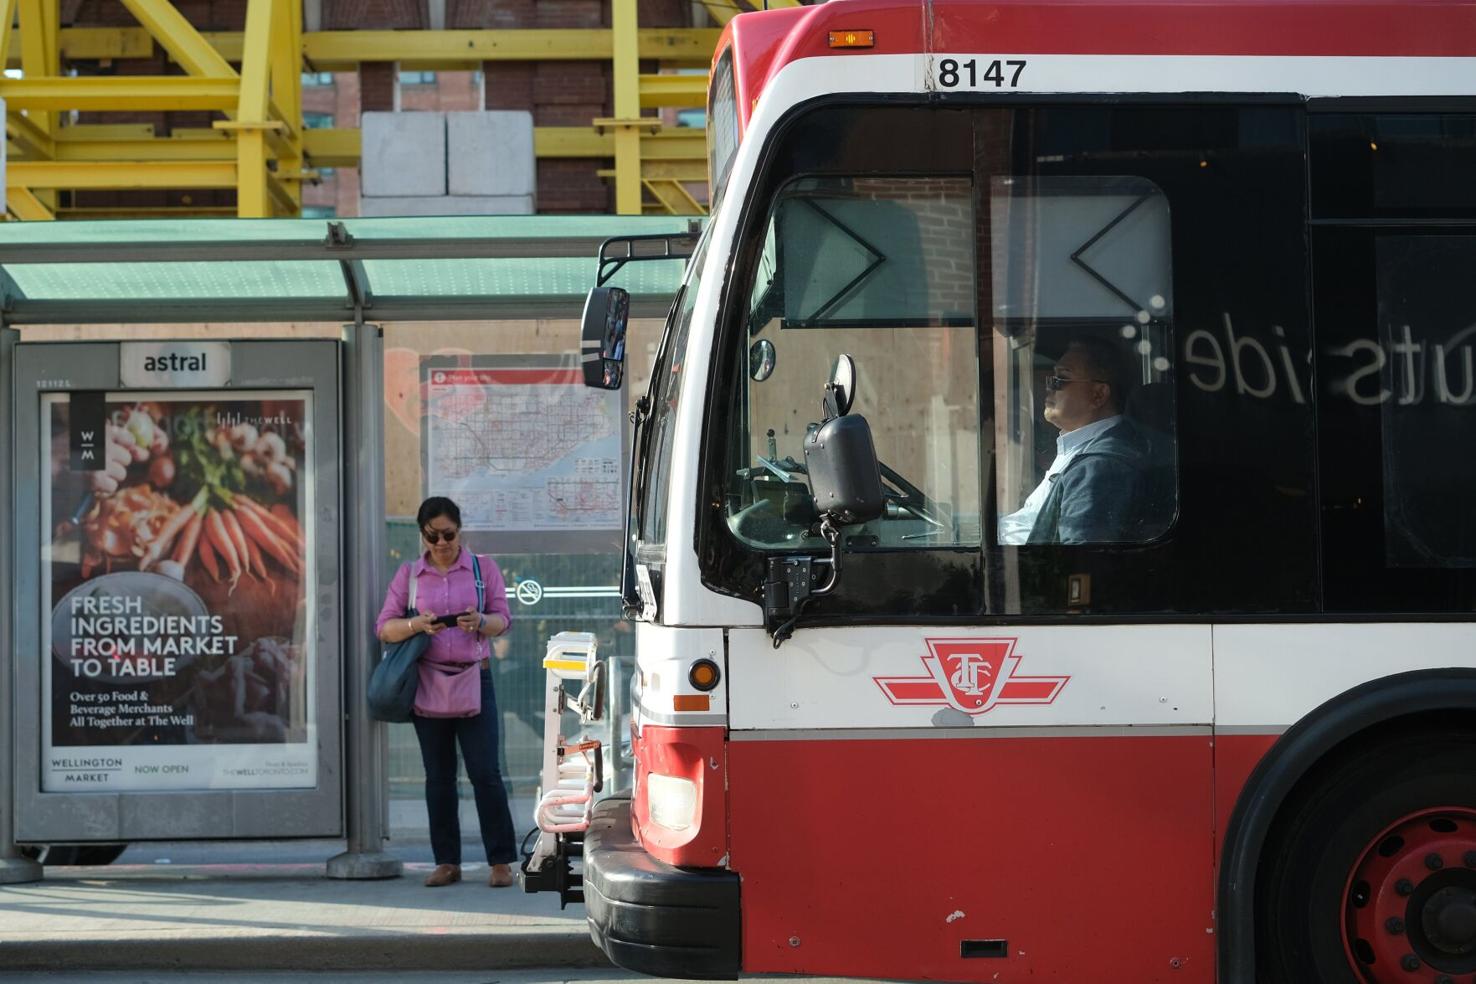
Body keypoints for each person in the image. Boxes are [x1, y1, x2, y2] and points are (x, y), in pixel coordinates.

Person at [375, 496, 517, 888]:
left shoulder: (481, 569)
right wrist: (417, 625)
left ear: (460, 530)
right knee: (438, 776)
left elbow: (504, 621)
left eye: (448, 534)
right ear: (422, 534)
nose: (440, 544)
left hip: (474, 678)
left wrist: (480, 621)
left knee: (486, 773)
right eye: (431, 536)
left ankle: (501, 861)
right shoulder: (410, 575)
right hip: (428, 681)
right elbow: (384, 628)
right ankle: (446, 861)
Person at [998, 337, 1150, 544]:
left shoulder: (1100, 468)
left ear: (1098, 394)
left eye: (1061, 379)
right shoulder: (1080, 451)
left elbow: (1078, 559)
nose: (1049, 386)